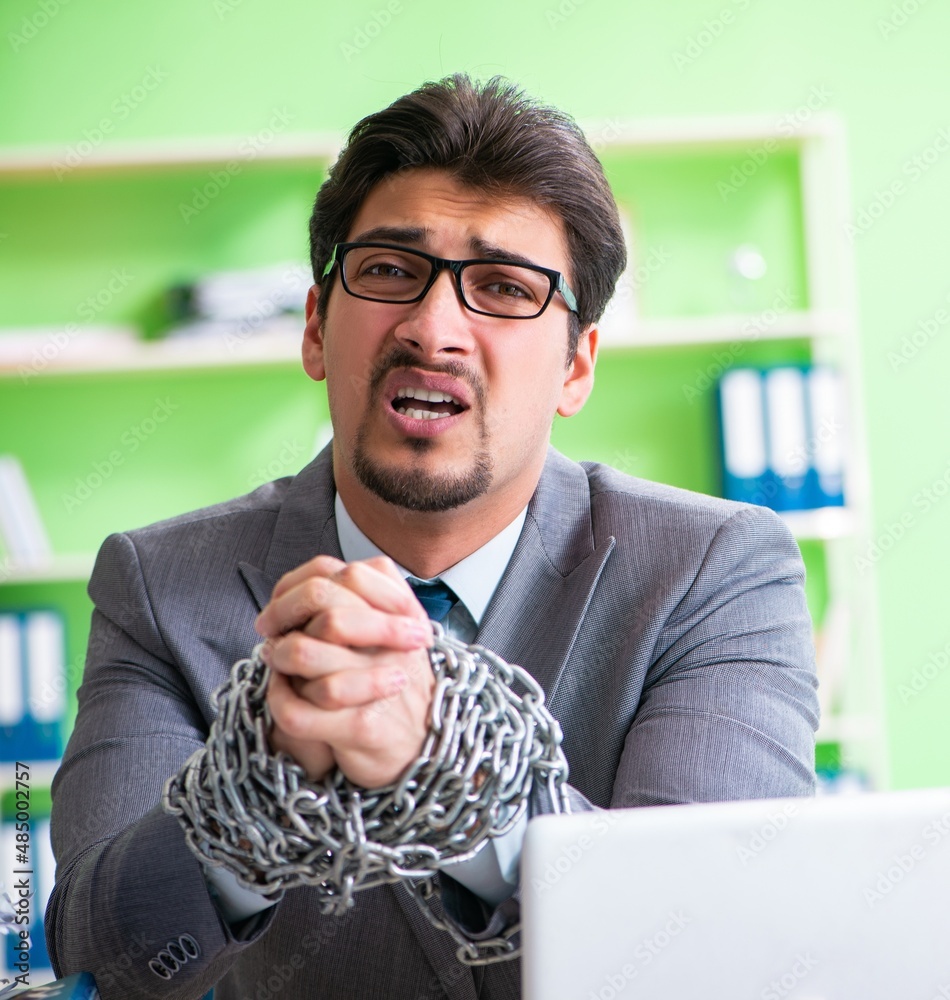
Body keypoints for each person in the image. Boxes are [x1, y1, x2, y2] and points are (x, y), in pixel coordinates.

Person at [45, 74, 819, 1000]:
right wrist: (252, 789)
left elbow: (720, 947)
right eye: (388, 271)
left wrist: (446, 756)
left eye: (502, 287)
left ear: (577, 366)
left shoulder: (717, 570)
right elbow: (99, 958)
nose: (433, 327)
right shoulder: (156, 581)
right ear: (317, 330)